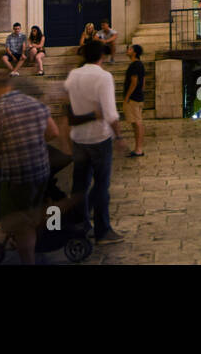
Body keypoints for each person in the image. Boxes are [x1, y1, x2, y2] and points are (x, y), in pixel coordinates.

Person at [0, 71, 59, 265]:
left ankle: (28, 259)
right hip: (41, 170)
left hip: (16, 175)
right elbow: (53, 132)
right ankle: (32, 245)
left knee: (19, 223)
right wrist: (32, 143)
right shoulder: (34, 103)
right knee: (31, 213)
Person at [64, 39, 123, 245]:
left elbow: (68, 106)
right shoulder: (104, 77)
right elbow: (110, 114)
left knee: (79, 185)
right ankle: (103, 230)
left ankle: (79, 226)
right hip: (99, 138)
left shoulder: (73, 75)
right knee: (101, 186)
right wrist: (120, 137)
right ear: (102, 57)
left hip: (78, 138)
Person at [123, 44, 146, 156]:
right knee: (137, 123)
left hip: (133, 99)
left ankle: (138, 149)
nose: (128, 50)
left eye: (130, 49)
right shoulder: (140, 64)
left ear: (135, 52)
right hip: (138, 97)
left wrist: (127, 97)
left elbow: (134, 82)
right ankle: (138, 148)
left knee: (137, 123)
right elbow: (143, 82)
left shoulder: (134, 65)